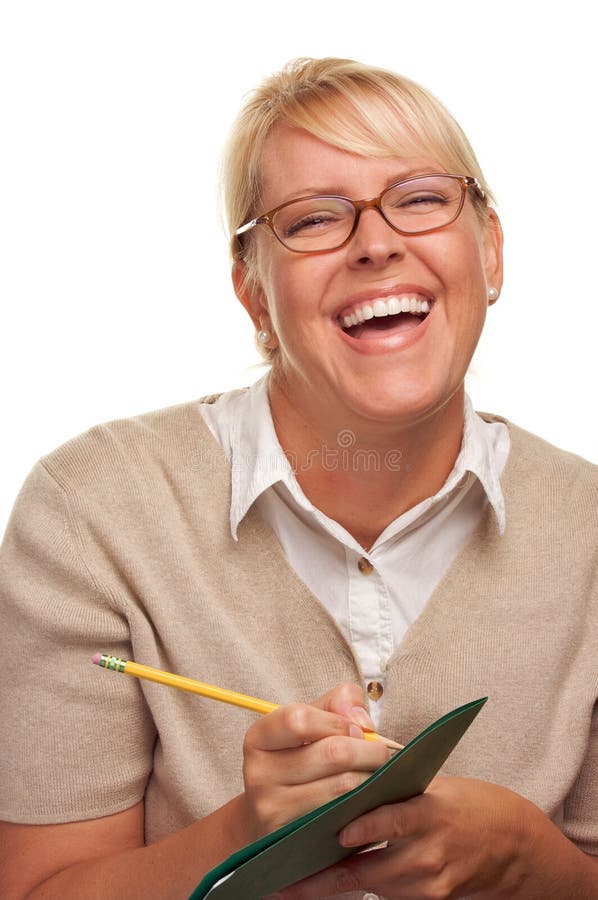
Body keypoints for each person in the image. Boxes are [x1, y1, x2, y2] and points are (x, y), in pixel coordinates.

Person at [0, 56, 597, 900]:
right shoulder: (92, 512)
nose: (377, 244)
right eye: (315, 219)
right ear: (253, 292)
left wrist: (535, 860)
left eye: (421, 199)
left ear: (491, 251)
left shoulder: (589, 531)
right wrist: (244, 834)